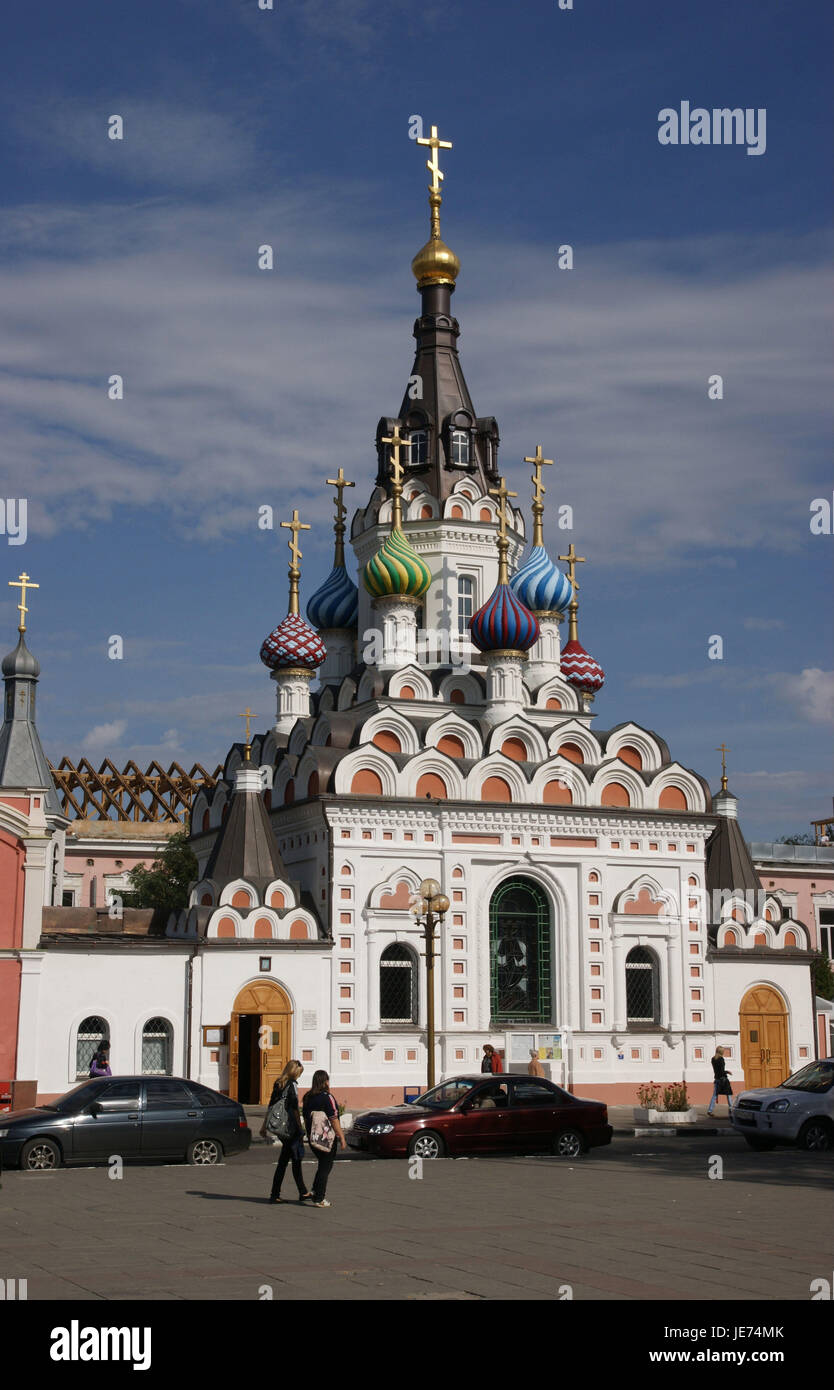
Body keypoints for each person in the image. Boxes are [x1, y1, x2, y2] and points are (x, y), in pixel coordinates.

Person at [266, 1060, 313, 1205]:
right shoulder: (292, 1085)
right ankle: (301, 1192)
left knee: (285, 1161)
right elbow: (294, 1108)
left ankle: (278, 1193)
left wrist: (264, 1126)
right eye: (299, 1073)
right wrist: (300, 1127)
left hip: (281, 1127)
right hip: (291, 1128)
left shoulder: (278, 1083)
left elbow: (271, 1106)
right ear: (294, 1072)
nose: (299, 1076)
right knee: (296, 1159)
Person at [302, 1069, 345, 1208]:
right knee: (326, 1167)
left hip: (313, 1137)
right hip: (327, 1138)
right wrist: (342, 1137)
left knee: (322, 1164)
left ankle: (315, 1190)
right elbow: (334, 1119)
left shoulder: (308, 1097)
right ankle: (319, 1198)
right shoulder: (327, 1097)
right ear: (326, 1081)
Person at [708, 1046, 733, 1115]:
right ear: (721, 1052)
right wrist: (727, 1072)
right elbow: (721, 1071)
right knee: (729, 1094)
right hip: (723, 1080)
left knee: (715, 1095)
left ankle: (710, 1110)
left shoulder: (713, 1059)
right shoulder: (721, 1059)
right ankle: (731, 1109)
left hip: (717, 1079)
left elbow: (717, 1070)